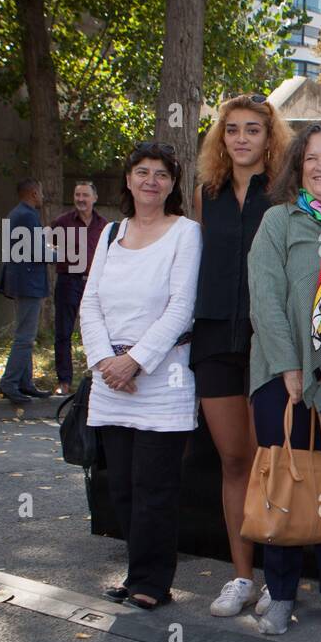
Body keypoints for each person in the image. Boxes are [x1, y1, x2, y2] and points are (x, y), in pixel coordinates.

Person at [248, 122, 321, 634]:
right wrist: (289, 365)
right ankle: (280, 595)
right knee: (284, 480)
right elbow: (266, 298)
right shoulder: (279, 221)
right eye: (312, 158)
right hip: (279, 373)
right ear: (300, 165)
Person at [79, 142, 201, 610]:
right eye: (142, 172)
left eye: (162, 174)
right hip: (111, 380)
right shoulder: (112, 233)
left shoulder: (186, 233)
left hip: (162, 378)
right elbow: (91, 303)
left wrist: (136, 360)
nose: (151, 181)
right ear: (128, 180)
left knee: (155, 487)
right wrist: (104, 362)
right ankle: (134, 575)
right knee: (123, 487)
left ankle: (153, 583)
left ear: (173, 184)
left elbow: (181, 306)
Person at [192, 94, 291, 617]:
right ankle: (242, 577)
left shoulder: (284, 194)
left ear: (269, 138)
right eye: (233, 130)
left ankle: (279, 580)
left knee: (269, 464)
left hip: (267, 341)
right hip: (213, 338)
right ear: (222, 137)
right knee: (234, 461)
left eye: (253, 130)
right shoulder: (205, 193)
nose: (242, 139)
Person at [49, 181, 108, 395]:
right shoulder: (62, 222)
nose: (81, 199)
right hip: (68, 281)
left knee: (99, 330)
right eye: (77, 195)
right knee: (63, 332)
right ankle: (64, 381)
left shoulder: (104, 225)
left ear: (94, 198)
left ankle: (100, 377)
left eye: (85, 195)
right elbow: (46, 245)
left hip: (95, 283)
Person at [0, 178, 52, 404]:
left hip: (20, 281)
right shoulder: (27, 216)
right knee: (25, 338)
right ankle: (9, 383)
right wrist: (61, 255)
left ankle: (25, 383)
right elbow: (37, 252)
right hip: (28, 283)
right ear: (33, 194)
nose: (43, 197)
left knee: (26, 337)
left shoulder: (16, 214)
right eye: (41, 192)